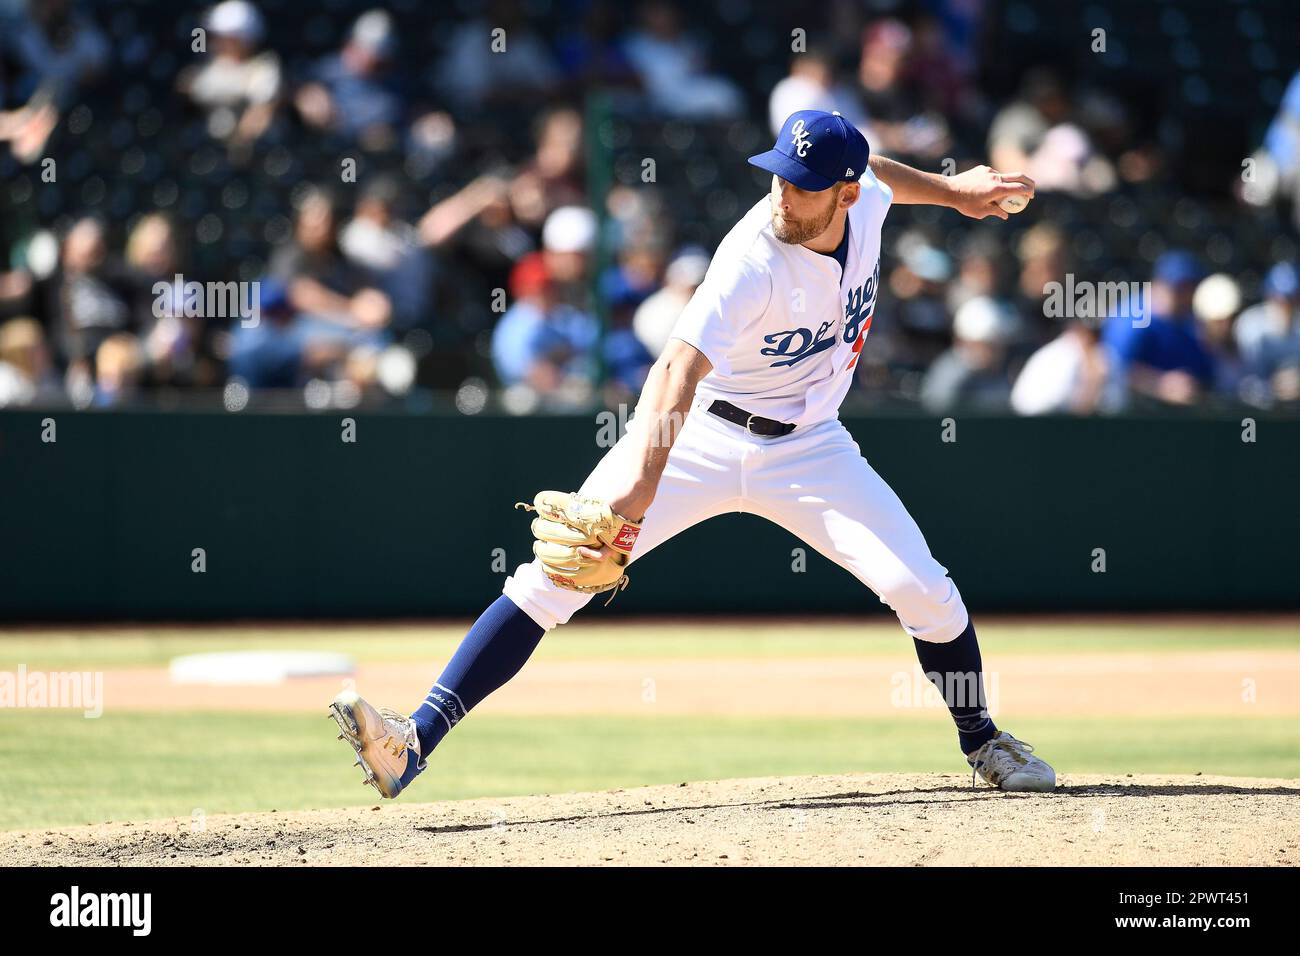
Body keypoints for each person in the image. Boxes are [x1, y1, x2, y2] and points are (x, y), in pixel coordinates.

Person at [330, 110, 1057, 798]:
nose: (783, 192)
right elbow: (676, 369)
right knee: (555, 575)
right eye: (778, 175)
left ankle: (984, 740)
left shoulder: (863, 199)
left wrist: (955, 192)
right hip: (700, 435)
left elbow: (887, 178)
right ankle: (413, 741)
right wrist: (644, 480)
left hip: (811, 448)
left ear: (844, 191)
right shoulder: (752, 259)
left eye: (803, 184)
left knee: (924, 589)